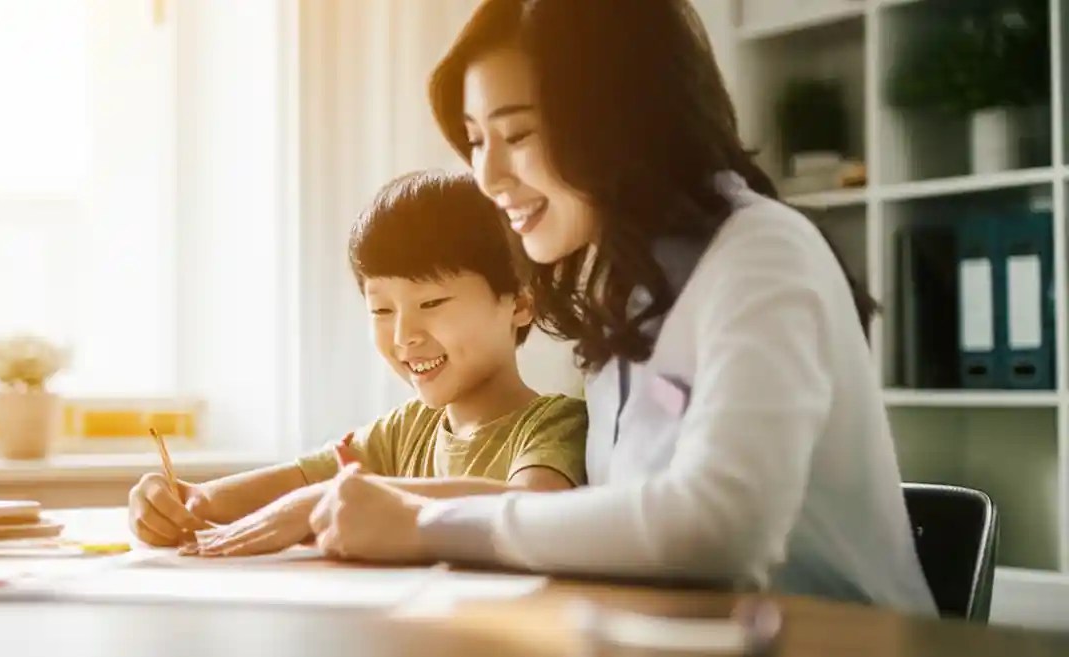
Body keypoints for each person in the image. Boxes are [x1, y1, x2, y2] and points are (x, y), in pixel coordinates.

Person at [307, 0, 936, 615]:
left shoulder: (760, 252)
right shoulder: (623, 291)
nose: (489, 177)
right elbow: (623, 519)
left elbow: (717, 530)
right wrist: (387, 506)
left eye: (517, 133)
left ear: (619, 118)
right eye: (475, 140)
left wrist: (425, 524)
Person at [127, 170, 587, 557]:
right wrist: (189, 502)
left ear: (520, 303)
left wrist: (324, 499)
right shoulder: (405, 432)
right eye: (382, 310)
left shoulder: (555, 425)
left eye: (432, 302)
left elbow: (535, 508)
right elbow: (292, 483)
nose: (405, 335)